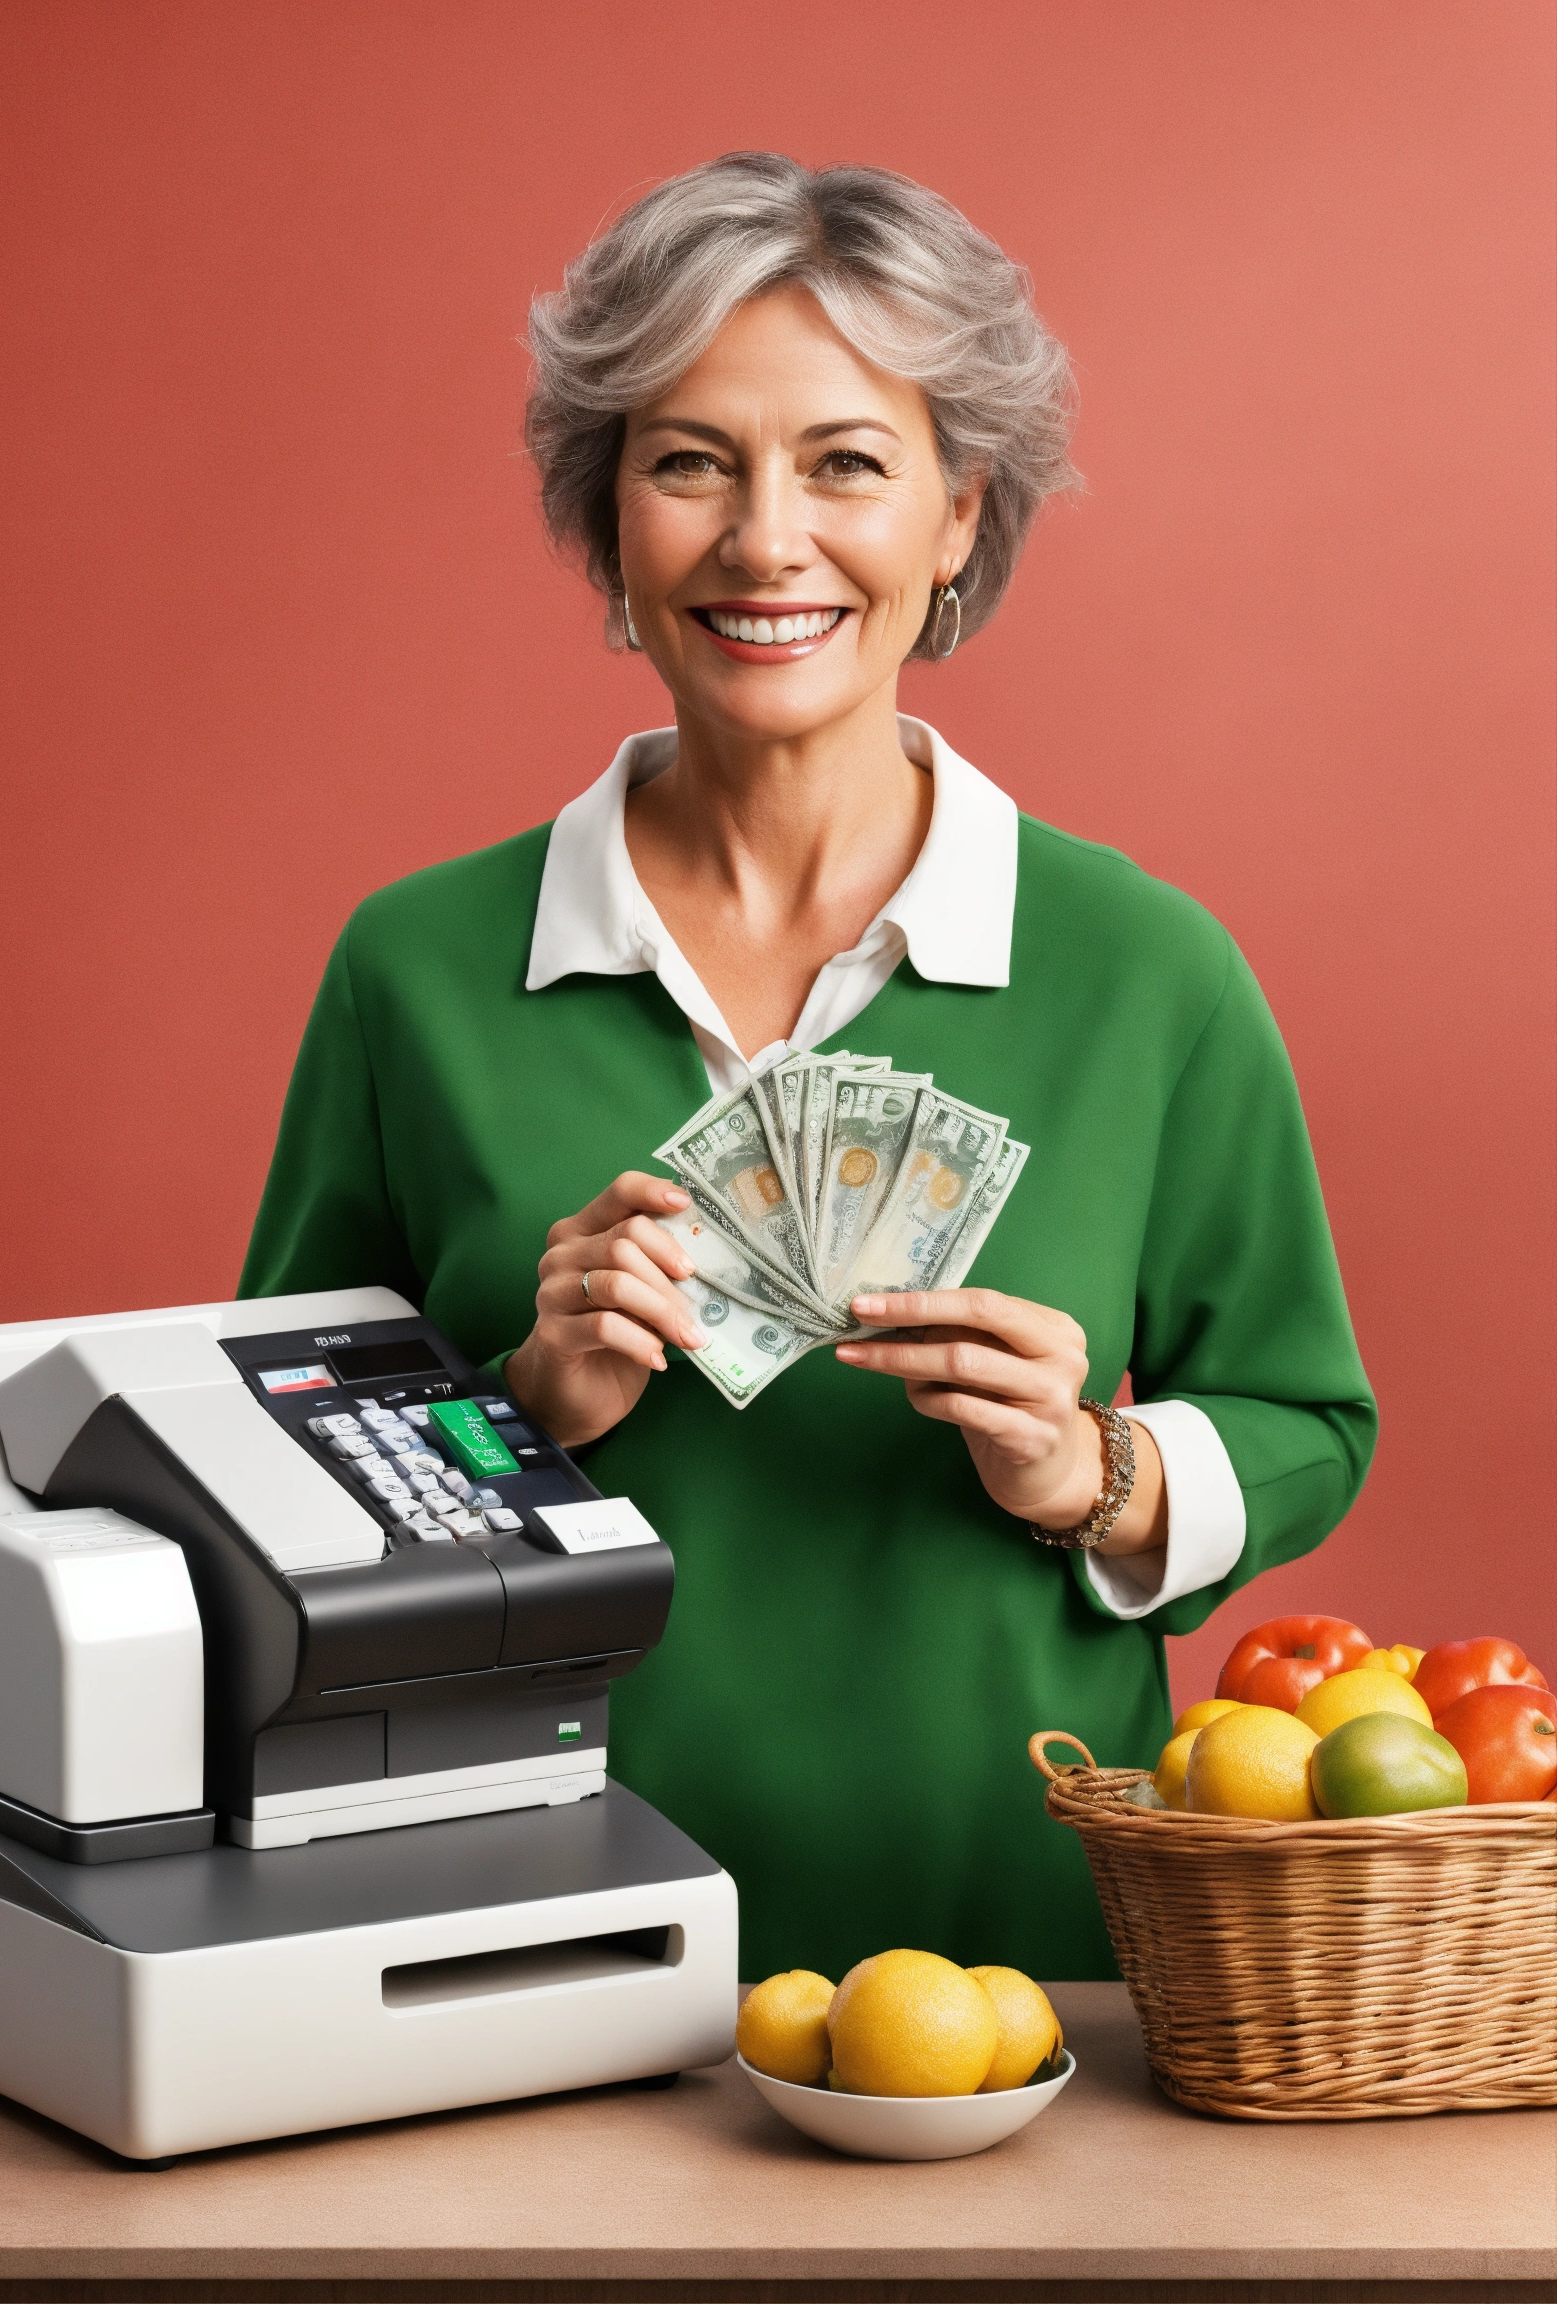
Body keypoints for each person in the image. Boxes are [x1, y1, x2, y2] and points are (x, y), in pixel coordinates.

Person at [240, 153, 1376, 1984]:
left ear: (956, 519)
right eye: (691, 461)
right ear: (609, 518)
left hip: (1022, 1966)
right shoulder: (417, 968)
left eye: (847, 462)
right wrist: (518, 1406)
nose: (768, 540)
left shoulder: (1148, 973)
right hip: (502, 1942)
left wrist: (1093, 1472)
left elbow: (1310, 1424)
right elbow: (267, 1483)